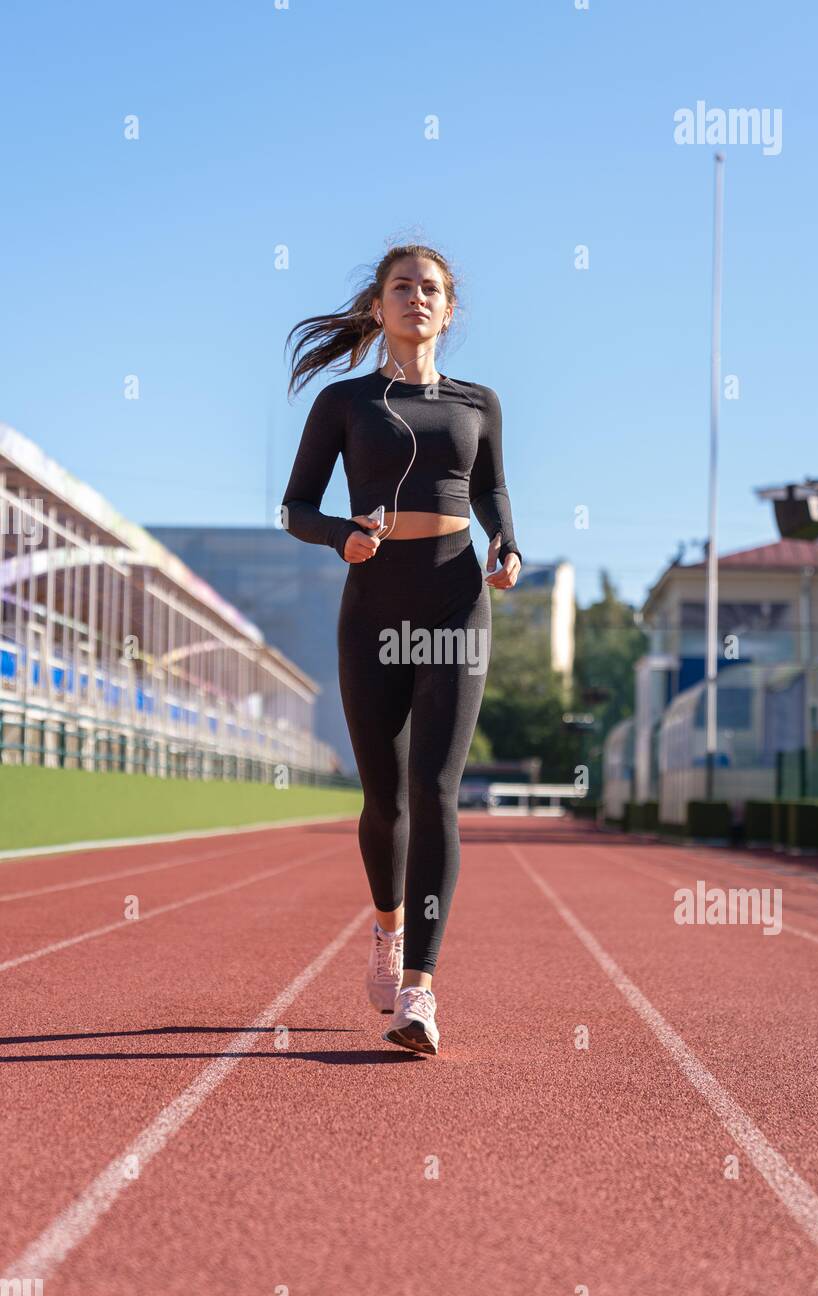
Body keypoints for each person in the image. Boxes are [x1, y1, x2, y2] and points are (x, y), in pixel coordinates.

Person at [280, 242, 521, 1056]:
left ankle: (419, 988)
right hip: (375, 607)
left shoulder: (479, 401)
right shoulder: (344, 403)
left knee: (437, 790)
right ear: (378, 306)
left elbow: (490, 487)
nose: (416, 297)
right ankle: (385, 930)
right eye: (401, 287)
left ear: (449, 311)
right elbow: (293, 509)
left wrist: (509, 545)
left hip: (456, 604)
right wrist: (343, 535)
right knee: (385, 800)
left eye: (431, 289)